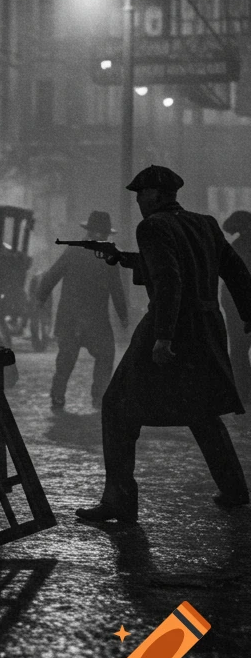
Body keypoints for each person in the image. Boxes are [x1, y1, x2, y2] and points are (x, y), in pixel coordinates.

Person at [76, 165, 251, 525]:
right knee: (202, 410)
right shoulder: (205, 223)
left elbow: (169, 279)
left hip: (171, 324)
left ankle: (119, 499)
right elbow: (233, 270)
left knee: (116, 405)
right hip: (206, 326)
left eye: (141, 194)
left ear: (155, 194)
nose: (138, 201)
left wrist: (164, 335)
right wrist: (250, 312)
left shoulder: (152, 227)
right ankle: (234, 490)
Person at [36, 211, 128, 411]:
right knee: (105, 356)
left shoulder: (73, 251)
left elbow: (51, 277)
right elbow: (117, 290)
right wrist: (123, 316)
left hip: (71, 317)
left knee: (66, 360)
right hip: (96, 320)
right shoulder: (109, 255)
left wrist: (40, 300)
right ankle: (99, 397)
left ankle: (58, 396)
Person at [221, 210, 251, 403]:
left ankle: (242, 393)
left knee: (239, 351)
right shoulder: (240, 245)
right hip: (239, 305)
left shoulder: (239, 246)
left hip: (238, 307)